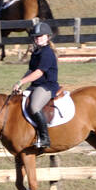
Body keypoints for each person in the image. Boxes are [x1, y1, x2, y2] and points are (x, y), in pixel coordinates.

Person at [12, 20, 58, 149]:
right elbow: (31, 70)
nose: (38, 38)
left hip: (47, 86)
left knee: (34, 106)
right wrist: (20, 83)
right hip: (35, 85)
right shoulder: (36, 52)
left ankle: (45, 138)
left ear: (48, 37)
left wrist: (22, 82)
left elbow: (38, 73)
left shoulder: (47, 53)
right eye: (36, 36)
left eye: (41, 36)